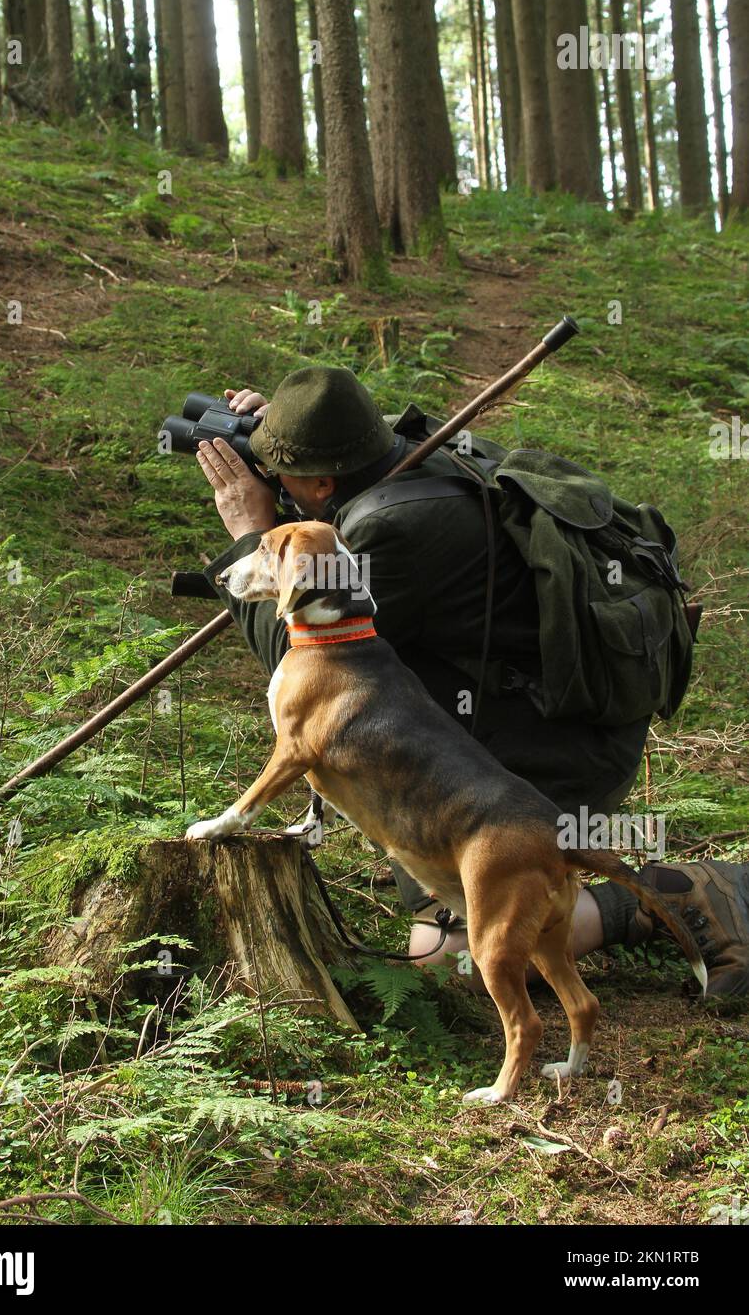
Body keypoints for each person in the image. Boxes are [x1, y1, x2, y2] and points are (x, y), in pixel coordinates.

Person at [194, 366, 749, 996]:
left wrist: (247, 534)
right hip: (547, 713)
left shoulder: (392, 531)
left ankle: (680, 897)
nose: (267, 483)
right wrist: (291, 431)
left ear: (324, 481)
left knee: (451, 962)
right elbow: (328, 505)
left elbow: (294, 659)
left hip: (552, 755)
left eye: (283, 473)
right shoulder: (414, 450)